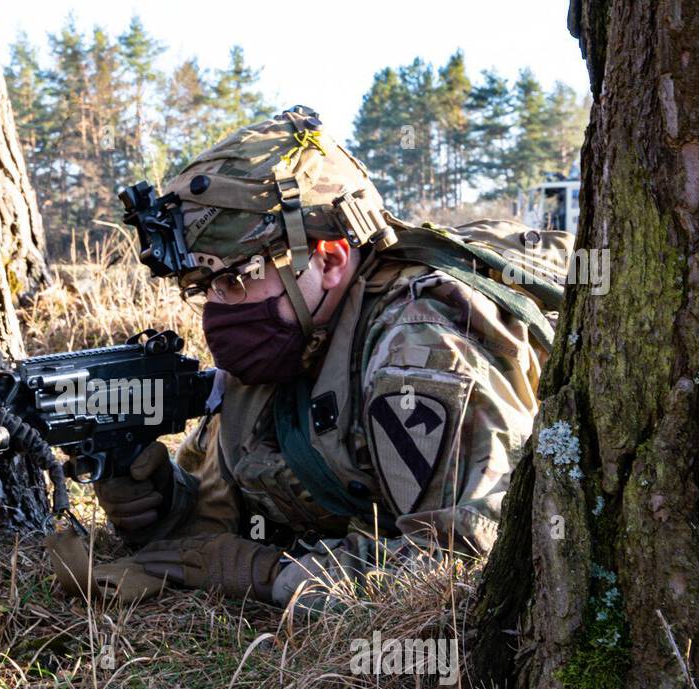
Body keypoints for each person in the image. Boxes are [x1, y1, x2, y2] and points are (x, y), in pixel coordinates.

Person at [84, 105, 572, 617]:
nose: (217, 311)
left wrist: (274, 576)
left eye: (234, 280)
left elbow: (457, 569)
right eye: (204, 289)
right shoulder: (290, 339)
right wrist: (158, 500)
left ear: (331, 259)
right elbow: (216, 526)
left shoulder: (421, 348)